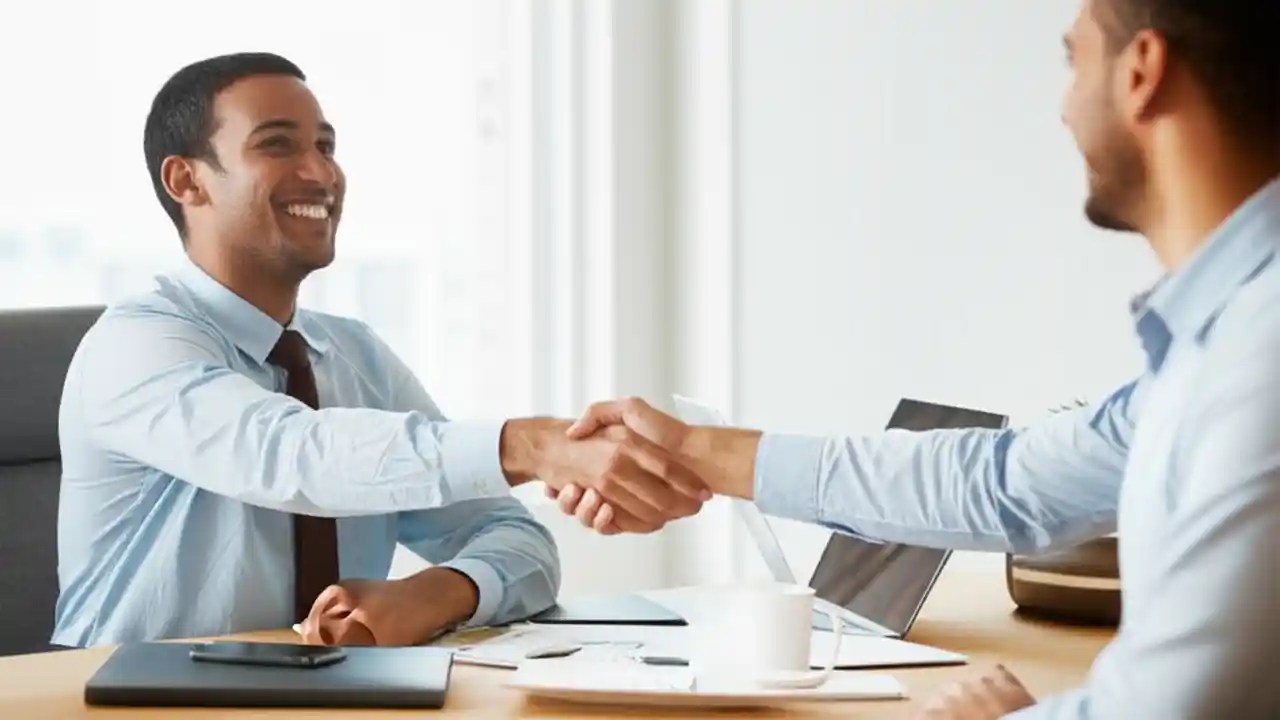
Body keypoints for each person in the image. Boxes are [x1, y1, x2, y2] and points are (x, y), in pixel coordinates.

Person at [554, 1, 1280, 718]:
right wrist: (693, 452)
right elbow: (1005, 481)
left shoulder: (1257, 360)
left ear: (1142, 72)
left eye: (1075, 60)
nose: (1064, 108)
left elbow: (1181, 702)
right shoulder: (1217, 341)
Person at [53, 52, 708, 649]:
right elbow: (292, 455)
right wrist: (530, 446)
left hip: (330, 697)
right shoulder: (134, 345)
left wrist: (436, 594)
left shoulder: (353, 354)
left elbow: (517, 540)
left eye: (325, 146)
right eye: (277, 145)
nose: (321, 173)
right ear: (187, 180)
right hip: (117, 700)